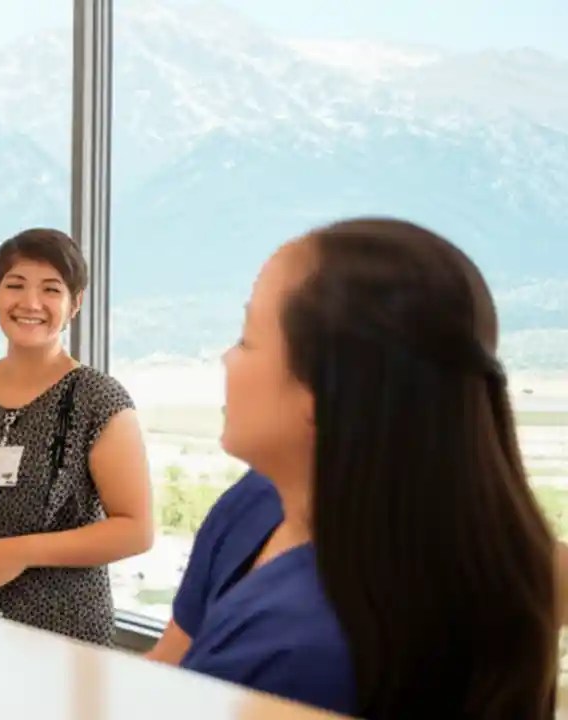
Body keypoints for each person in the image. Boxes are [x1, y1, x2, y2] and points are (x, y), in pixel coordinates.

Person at [146, 218, 559, 717]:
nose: (226, 358)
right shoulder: (254, 503)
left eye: (248, 338)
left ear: (326, 391)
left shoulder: (297, 650)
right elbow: (166, 669)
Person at [0, 228, 153, 645]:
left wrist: (20, 552)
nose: (30, 303)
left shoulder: (98, 398)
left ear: (74, 304)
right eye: (15, 286)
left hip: (60, 632)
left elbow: (136, 529)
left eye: (51, 289)